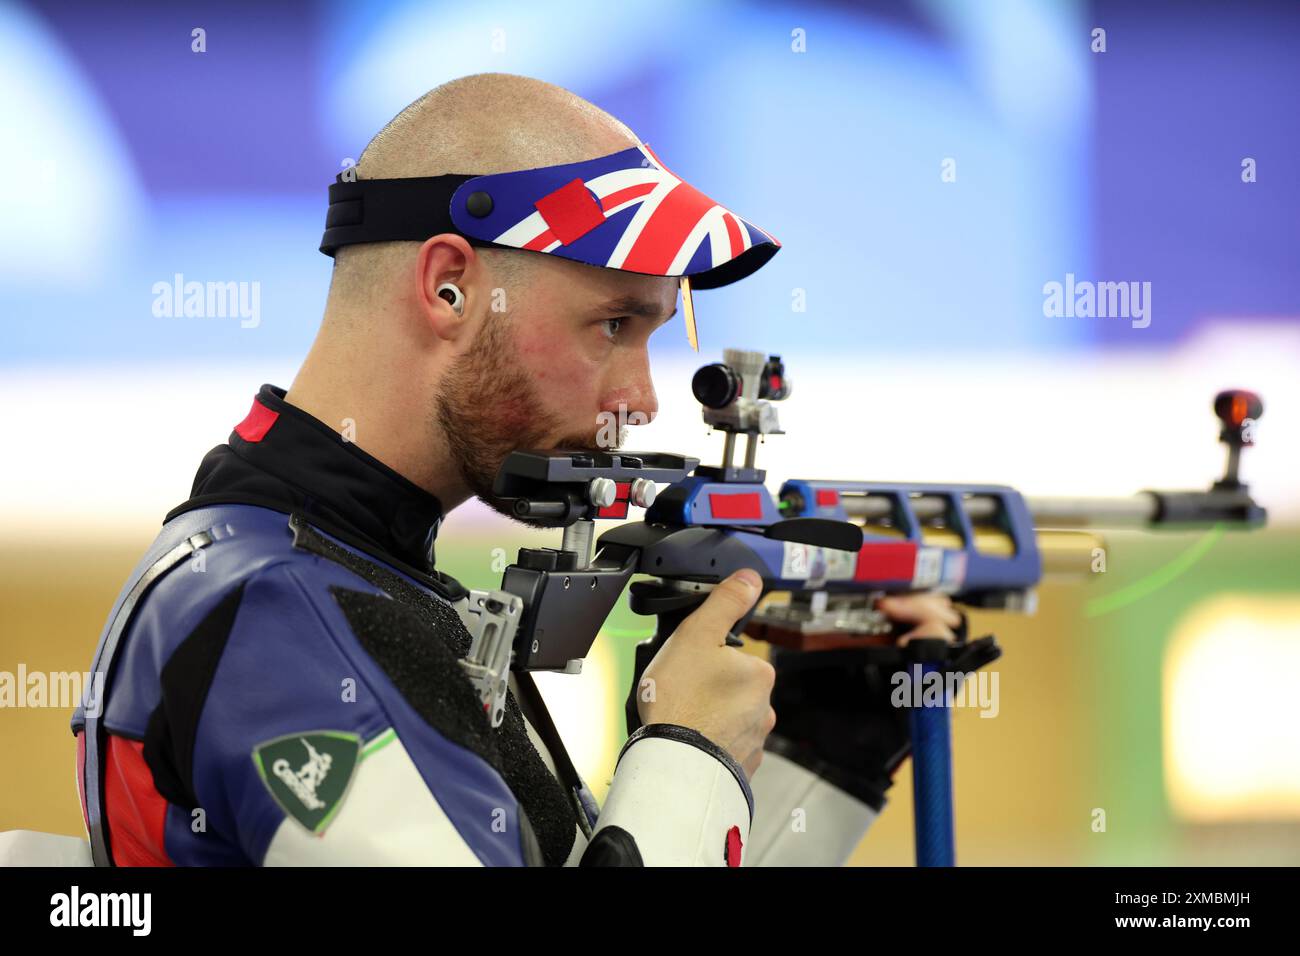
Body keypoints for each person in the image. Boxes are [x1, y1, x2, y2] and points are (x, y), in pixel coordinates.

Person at [70, 73, 961, 867]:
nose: (643, 396)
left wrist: (825, 749)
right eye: (614, 324)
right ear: (449, 285)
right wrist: (688, 755)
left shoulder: (353, 580)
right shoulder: (278, 606)